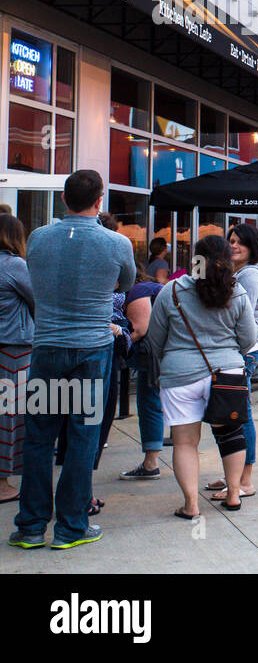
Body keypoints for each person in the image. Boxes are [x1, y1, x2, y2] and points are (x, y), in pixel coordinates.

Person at [11, 170, 134, 551]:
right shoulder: (117, 243)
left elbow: (36, 276)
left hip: (46, 347)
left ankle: (31, 527)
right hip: (92, 349)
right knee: (82, 436)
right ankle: (71, 526)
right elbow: (126, 283)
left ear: (64, 199)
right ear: (100, 200)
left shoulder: (38, 238)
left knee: (38, 437)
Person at [147, 234, 258, 517]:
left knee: (185, 442)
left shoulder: (171, 291)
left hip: (179, 375)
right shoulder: (237, 293)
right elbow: (249, 340)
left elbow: (155, 338)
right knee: (231, 435)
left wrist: (167, 361)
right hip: (226, 374)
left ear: (195, 260)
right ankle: (234, 494)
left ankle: (191, 505)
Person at [202, 222, 258, 503]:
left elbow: (238, 316)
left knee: (241, 415)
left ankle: (245, 480)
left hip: (243, 351)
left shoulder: (250, 276)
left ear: (253, 246)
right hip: (235, 351)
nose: (234, 245)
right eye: (230, 240)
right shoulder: (238, 273)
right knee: (230, 416)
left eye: (240, 241)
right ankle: (234, 474)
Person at [0, 216, 34, 503]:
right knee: (8, 416)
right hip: (13, 349)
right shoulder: (14, 265)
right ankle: (1, 484)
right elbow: (40, 299)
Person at [119, 266, 164, 482]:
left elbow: (139, 330)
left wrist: (116, 336)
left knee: (150, 404)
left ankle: (151, 463)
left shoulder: (138, 291)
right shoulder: (149, 287)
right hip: (166, 353)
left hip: (153, 357)